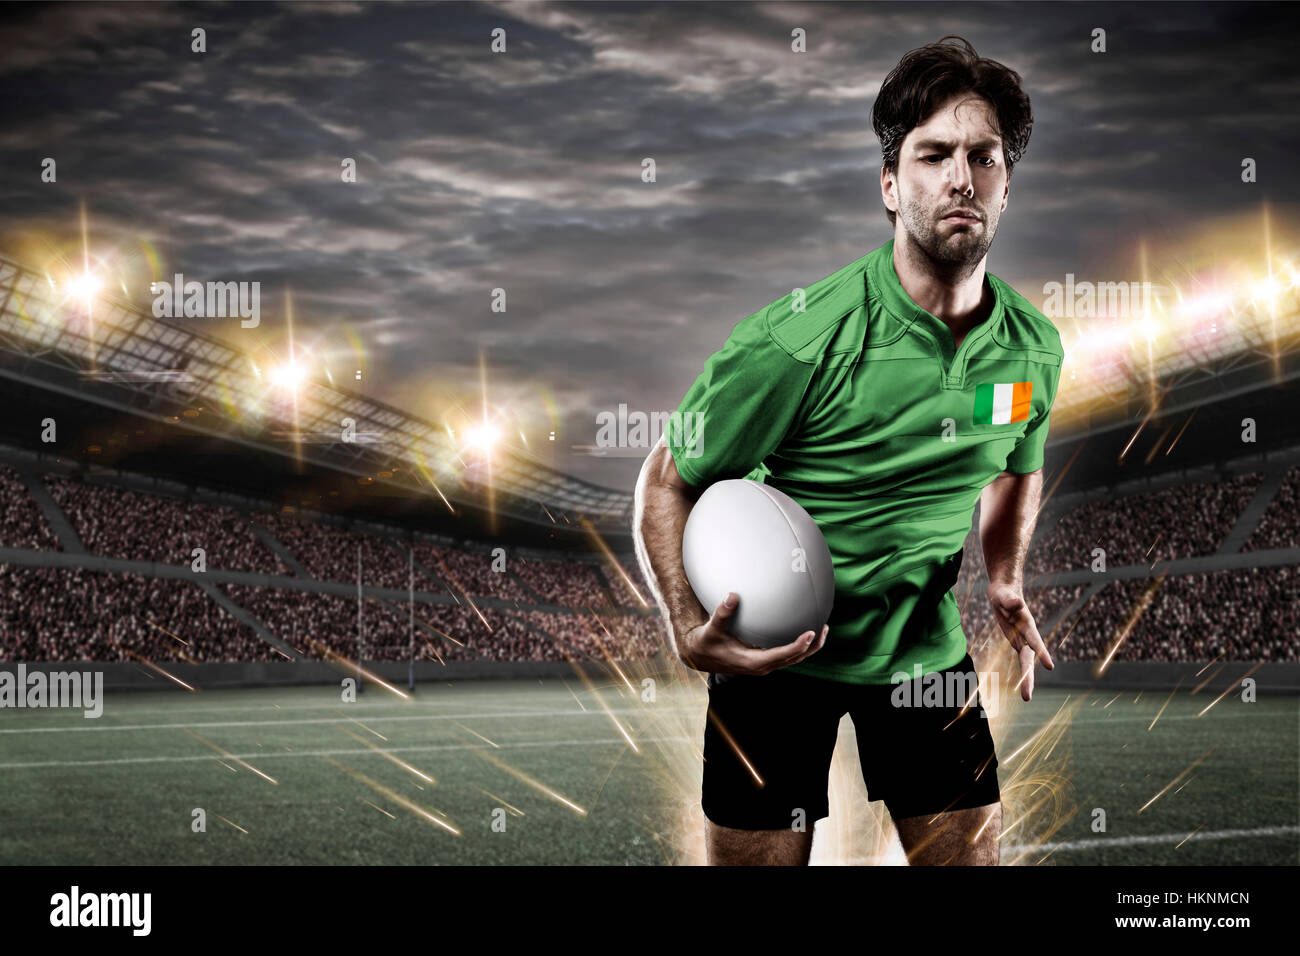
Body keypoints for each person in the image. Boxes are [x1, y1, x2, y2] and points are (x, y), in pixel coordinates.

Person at [633, 36, 1062, 866]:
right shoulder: (797, 340)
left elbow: (1019, 464)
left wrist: (1005, 576)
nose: (961, 176)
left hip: (924, 660)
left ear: (1007, 186)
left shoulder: (1034, 349)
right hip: (772, 665)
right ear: (891, 186)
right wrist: (689, 628)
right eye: (933, 154)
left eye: (985, 157)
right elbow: (666, 478)